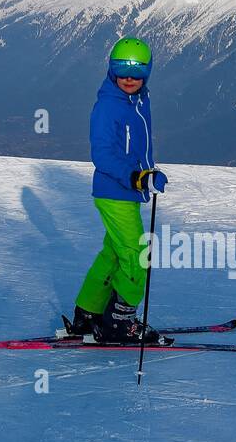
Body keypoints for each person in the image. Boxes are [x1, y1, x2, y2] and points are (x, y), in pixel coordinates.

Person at [68, 37, 169, 343]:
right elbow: (103, 154)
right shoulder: (108, 107)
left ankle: (88, 313)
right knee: (138, 254)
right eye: (121, 71)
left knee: (113, 254)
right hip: (115, 191)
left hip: (126, 190)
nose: (128, 78)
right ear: (111, 70)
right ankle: (119, 322)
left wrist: (145, 174)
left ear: (146, 74)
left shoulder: (138, 100)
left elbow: (135, 146)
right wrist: (137, 176)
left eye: (136, 74)